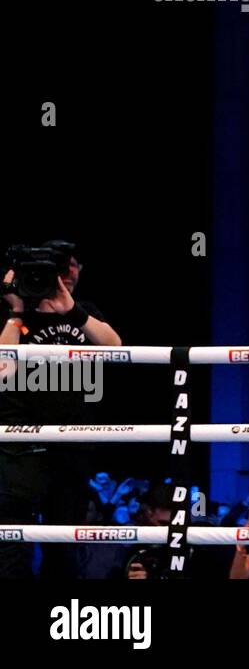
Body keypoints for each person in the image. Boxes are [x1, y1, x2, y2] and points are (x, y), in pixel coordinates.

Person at [0, 245, 121, 580]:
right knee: (13, 541)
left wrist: (72, 311)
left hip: (73, 445)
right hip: (20, 446)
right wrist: (16, 312)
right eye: (58, 268)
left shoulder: (85, 313)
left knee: (65, 542)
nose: (67, 274)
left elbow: (116, 349)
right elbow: (2, 371)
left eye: (71, 266)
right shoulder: (10, 317)